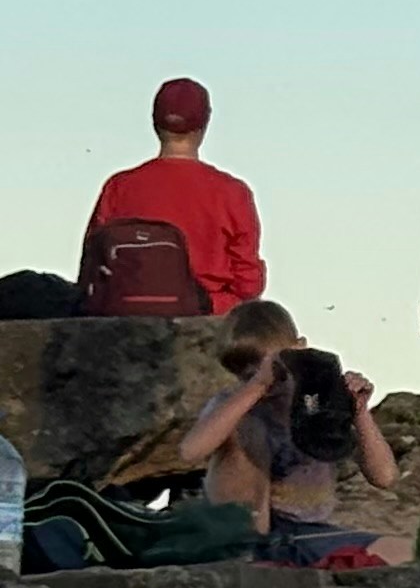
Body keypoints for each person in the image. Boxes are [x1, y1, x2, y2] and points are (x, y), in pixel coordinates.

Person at [184, 298, 398, 563]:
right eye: (246, 374)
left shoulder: (316, 400)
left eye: (277, 369)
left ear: (299, 350)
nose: (271, 382)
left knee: (404, 552)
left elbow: (384, 476)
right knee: (246, 429)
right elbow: (191, 451)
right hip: (251, 529)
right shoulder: (237, 405)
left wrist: (358, 411)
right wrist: (257, 386)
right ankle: (247, 554)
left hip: (308, 533)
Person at [83, 77, 266, 315]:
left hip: (125, 313)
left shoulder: (118, 187)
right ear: (205, 124)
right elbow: (248, 284)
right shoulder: (233, 192)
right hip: (204, 315)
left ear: (154, 123)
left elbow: (91, 263)